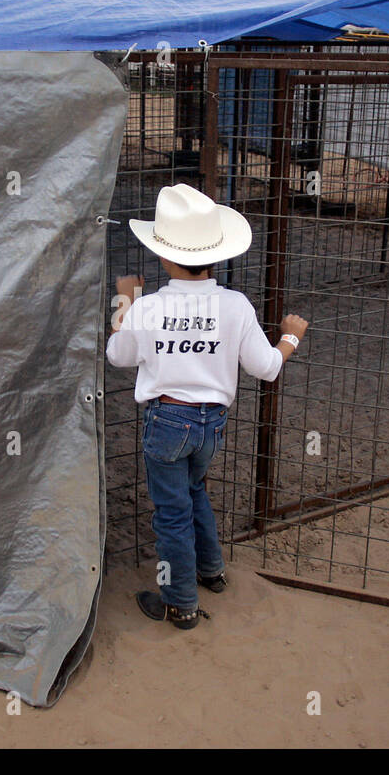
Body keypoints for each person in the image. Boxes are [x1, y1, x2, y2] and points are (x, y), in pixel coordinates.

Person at [106, 183, 309, 629]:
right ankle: (211, 570)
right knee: (195, 491)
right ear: (216, 253)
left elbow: (118, 356)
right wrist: (290, 335)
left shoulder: (150, 306)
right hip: (211, 426)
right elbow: (267, 367)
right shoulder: (235, 305)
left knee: (171, 513)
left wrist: (126, 302)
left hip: (166, 421)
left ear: (163, 254)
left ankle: (180, 602)